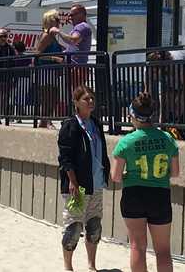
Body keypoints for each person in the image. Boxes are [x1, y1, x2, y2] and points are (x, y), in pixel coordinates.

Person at [111, 91, 179, 272]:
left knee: (137, 247)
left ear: (133, 115)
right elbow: (175, 172)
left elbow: (115, 176)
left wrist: (131, 175)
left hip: (134, 194)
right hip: (160, 194)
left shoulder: (126, 142)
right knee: (163, 251)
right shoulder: (168, 139)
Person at [57, 85, 110, 272]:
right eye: (86, 99)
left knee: (94, 226)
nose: (90, 102)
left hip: (96, 183)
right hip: (77, 185)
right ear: (76, 103)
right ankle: (68, 266)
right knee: (73, 227)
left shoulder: (96, 124)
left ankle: (91, 265)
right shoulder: (70, 126)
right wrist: (72, 181)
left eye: (92, 98)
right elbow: (65, 158)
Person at [34, 10, 67, 128]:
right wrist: (54, 58)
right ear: (50, 21)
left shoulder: (53, 37)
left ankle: (45, 121)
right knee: (48, 96)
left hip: (52, 71)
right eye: (57, 20)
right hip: (45, 71)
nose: (59, 22)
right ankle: (46, 121)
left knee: (53, 96)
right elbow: (37, 54)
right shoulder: (46, 35)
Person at [52, 5, 93, 91]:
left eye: (72, 15)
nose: (70, 17)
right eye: (70, 15)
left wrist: (58, 31)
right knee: (74, 94)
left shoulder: (82, 26)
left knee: (77, 94)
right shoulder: (79, 27)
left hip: (77, 66)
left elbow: (73, 40)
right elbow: (73, 46)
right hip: (74, 66)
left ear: (82, 14)